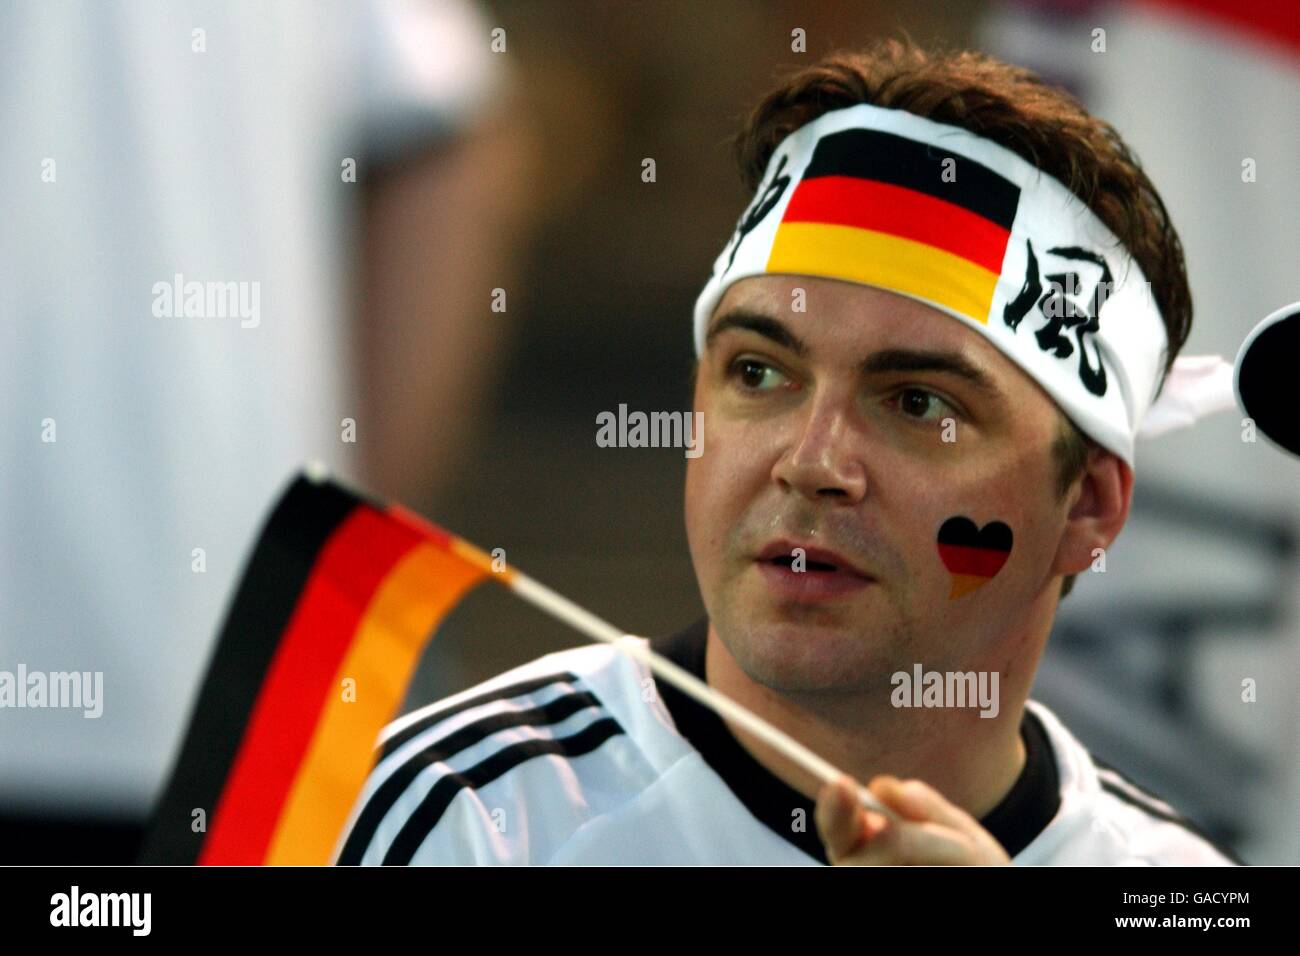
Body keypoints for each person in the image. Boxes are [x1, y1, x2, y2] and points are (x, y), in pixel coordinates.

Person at [336, 39, 1244, 865]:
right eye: (761, 374)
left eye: (918, 403)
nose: (812, 462)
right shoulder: (458, 822)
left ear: (1087, 509)